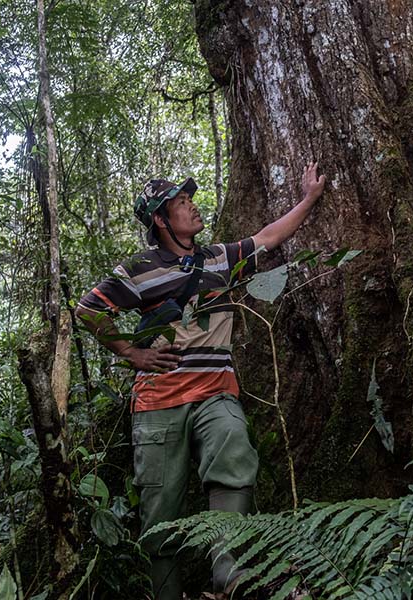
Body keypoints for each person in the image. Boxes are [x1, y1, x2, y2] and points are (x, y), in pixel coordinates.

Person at [76, 162, 325, 599]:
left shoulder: (218, 258)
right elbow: (89, 309)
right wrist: (132, 352)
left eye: (190, 200)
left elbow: (267, 238)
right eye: (181, 204)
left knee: (234, 453)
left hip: (215, 389)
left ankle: (227, 583)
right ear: (160, 219)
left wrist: (308, 198)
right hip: (158, 402)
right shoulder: (139, 268)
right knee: (160, 516)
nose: (192, 207)